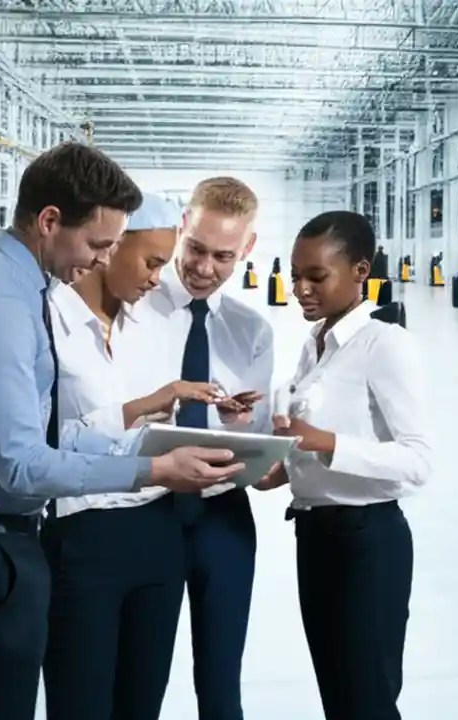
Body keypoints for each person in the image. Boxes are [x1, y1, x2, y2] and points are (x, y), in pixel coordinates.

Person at [0, 143, 245, 720]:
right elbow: (21, 462)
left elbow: (51, 436)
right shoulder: (1, 301)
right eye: (99, 244)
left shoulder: (23, 290)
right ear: (50, 221)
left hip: (17, 538)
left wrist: (146, 446)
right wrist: (151, 467)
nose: (101, 260)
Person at [42, 193, 244, 720]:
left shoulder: (145, 325)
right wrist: (136, 409)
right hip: (83, 529)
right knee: (80, 700)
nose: (161, 278)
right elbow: (41, 442)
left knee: (141, 701)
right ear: (110, 248)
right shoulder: (49, 321)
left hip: (156, 527)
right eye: (154, 262)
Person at [256, 210, 432, 720]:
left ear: (361, 270)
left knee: (366, 702)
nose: (300, 289)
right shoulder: (317, 346)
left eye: (316, 276)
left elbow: (418, 459)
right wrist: (282, 466)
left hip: (367, 543)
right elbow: (310, 438)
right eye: (295, 275)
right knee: (338, 697)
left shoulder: (385, 345)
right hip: (315, 537)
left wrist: (322, 441)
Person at [116, 176, 273, 720]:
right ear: (182, 228)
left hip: (222, 516)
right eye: (197, 249)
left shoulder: (252, 330)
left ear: (247, 249)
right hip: (146, 507)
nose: (205, 267)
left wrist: (246, 425)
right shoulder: (134, 304)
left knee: (222, 684)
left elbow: (259, 438)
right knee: (137, 682)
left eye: (224, 256)